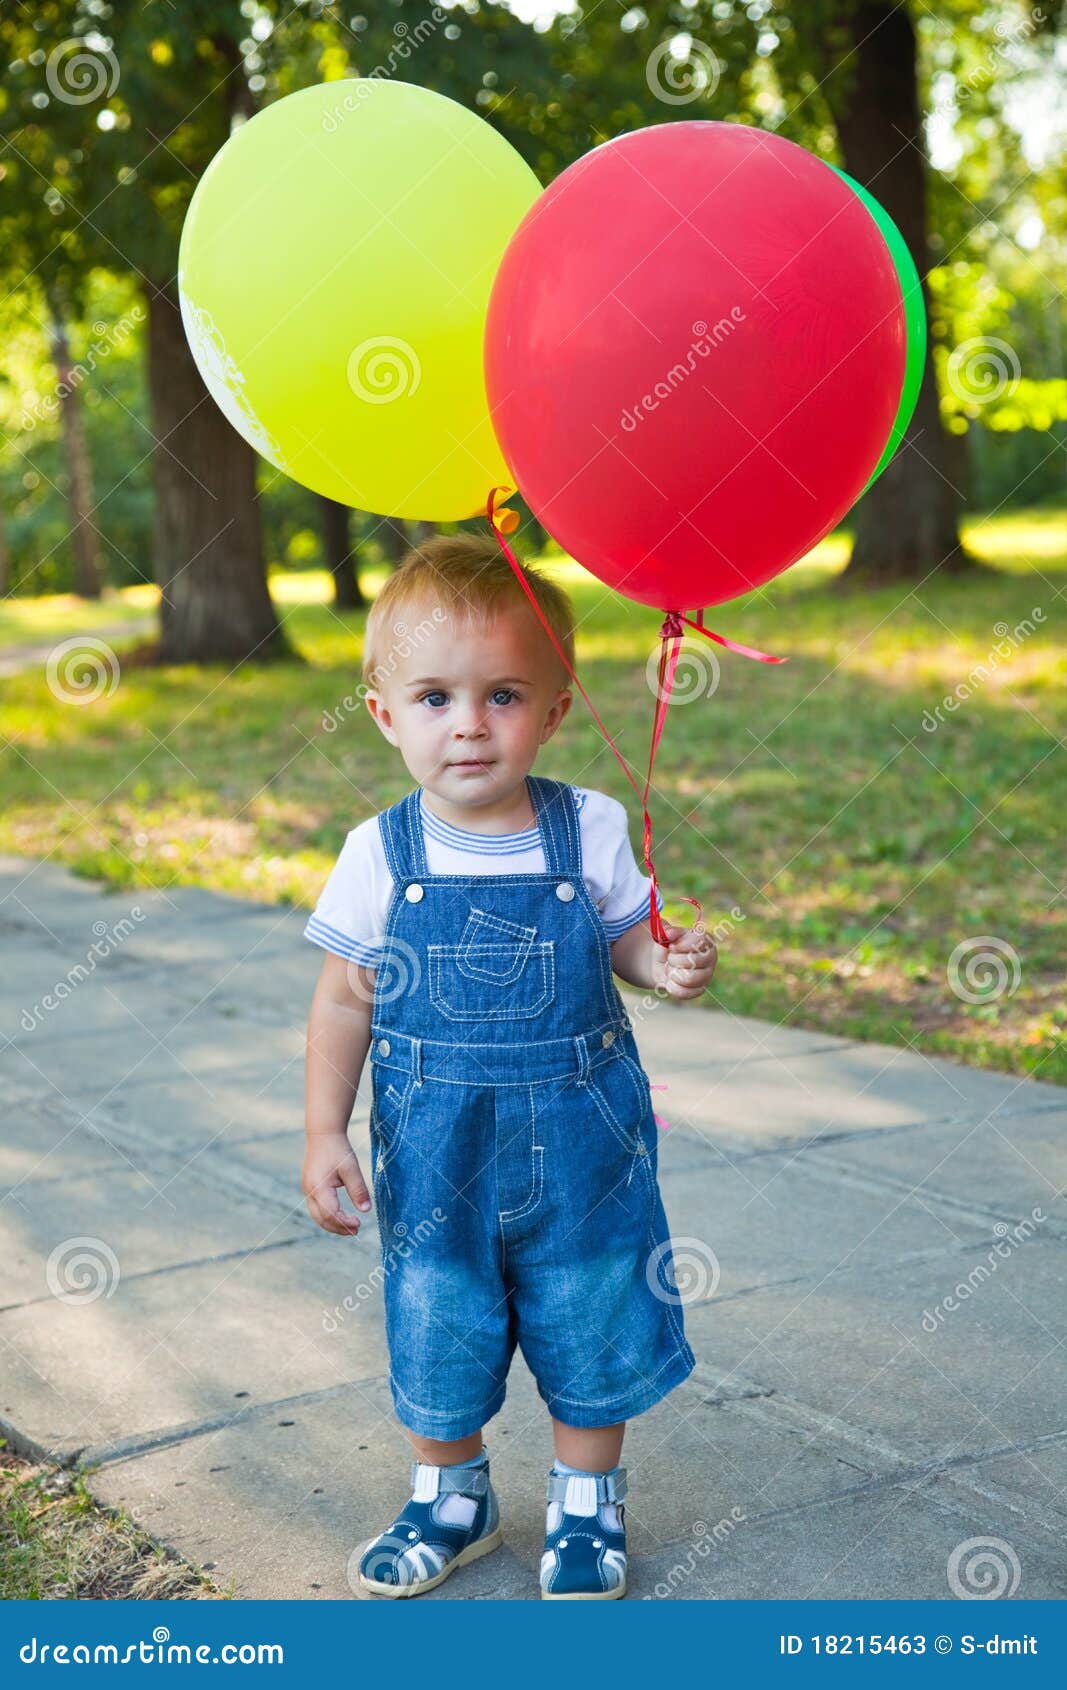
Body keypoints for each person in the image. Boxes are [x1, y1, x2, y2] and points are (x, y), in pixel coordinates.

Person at [302, 531, 717, 1599]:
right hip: (439, 1162)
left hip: (585, 1152)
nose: (470, 724)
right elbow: (345, 1000)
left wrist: (658, 962)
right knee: (438, 1318)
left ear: (555, 708)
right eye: (435, 697)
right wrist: (321, 1132)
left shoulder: (587, 827)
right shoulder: (377, 854)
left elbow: (620, 939)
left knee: (593, 1310)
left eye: (503, 694)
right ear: (386, 714)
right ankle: (452, 1493)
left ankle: (586, 1502)